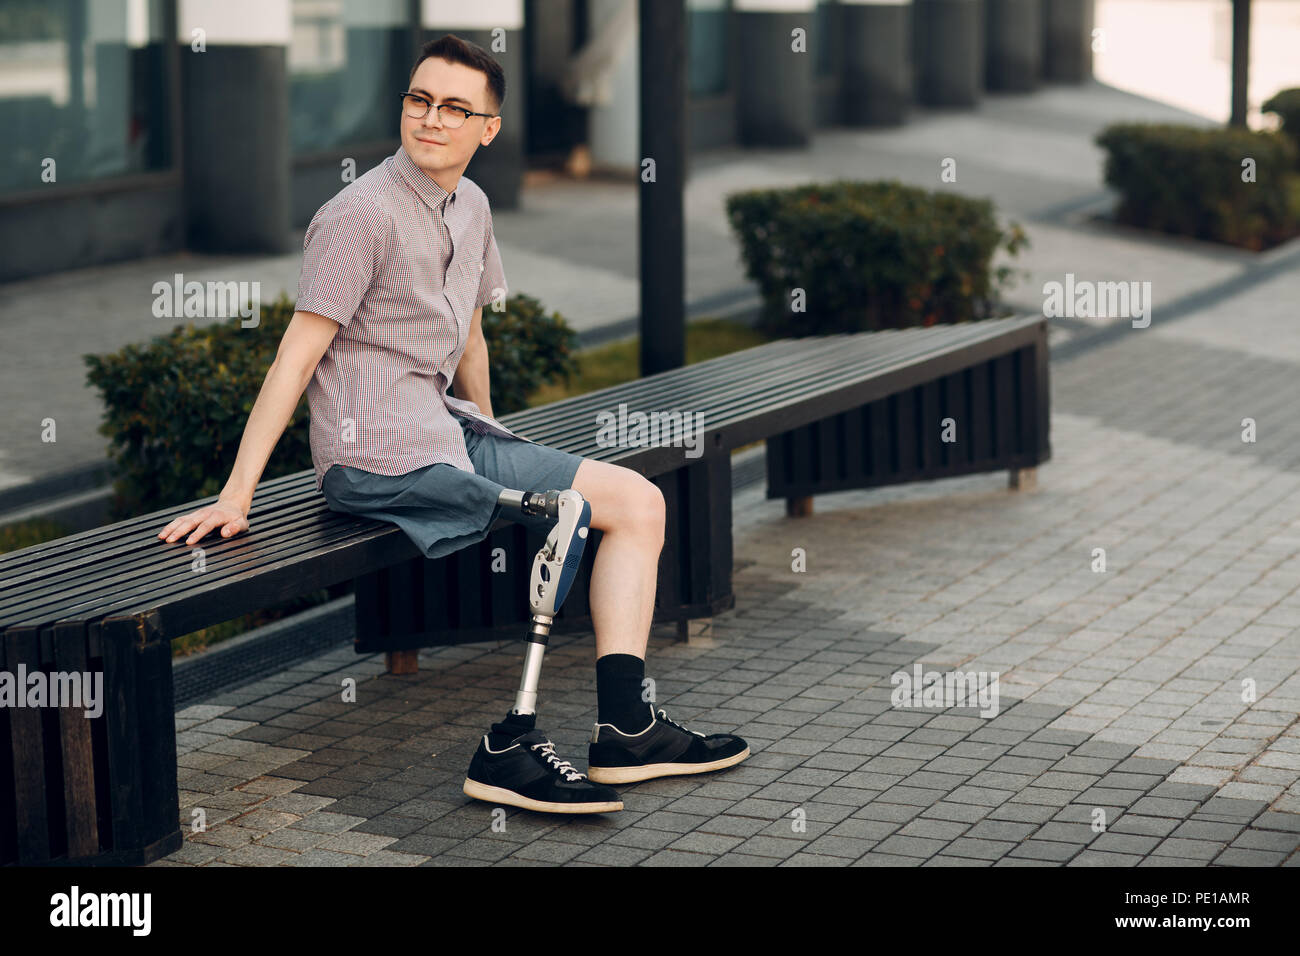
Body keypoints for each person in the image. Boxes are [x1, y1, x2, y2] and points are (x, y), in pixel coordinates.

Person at [157, 34, 748, 815]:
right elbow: (297, 356)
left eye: (454, 108)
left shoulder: (472, 205)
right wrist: (238, 496)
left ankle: (627, 729)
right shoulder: (359, 216)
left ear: (488, 129)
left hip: (445, 434)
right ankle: (509, 745)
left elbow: (471, 335)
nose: (431, 119)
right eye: (419, 100)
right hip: (373, 458)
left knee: (639, 501)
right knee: (567, 514)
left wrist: (500, 440)